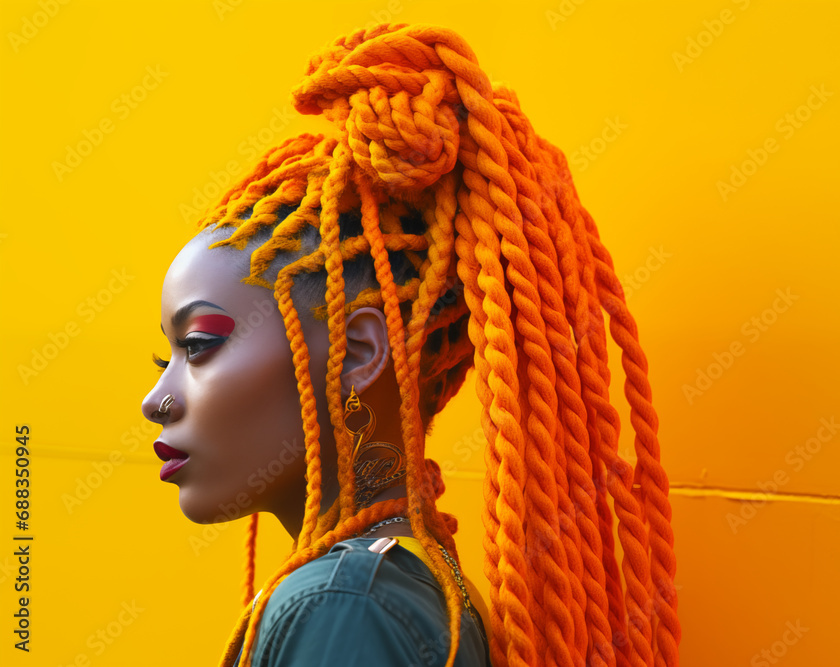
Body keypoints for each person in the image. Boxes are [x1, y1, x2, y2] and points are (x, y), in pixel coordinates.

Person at [140, 22, 680, 667]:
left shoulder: (345, 606)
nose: (156, 400)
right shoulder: (395, 580)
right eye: (163, 358)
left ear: (358, 352)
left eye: (199, 346)